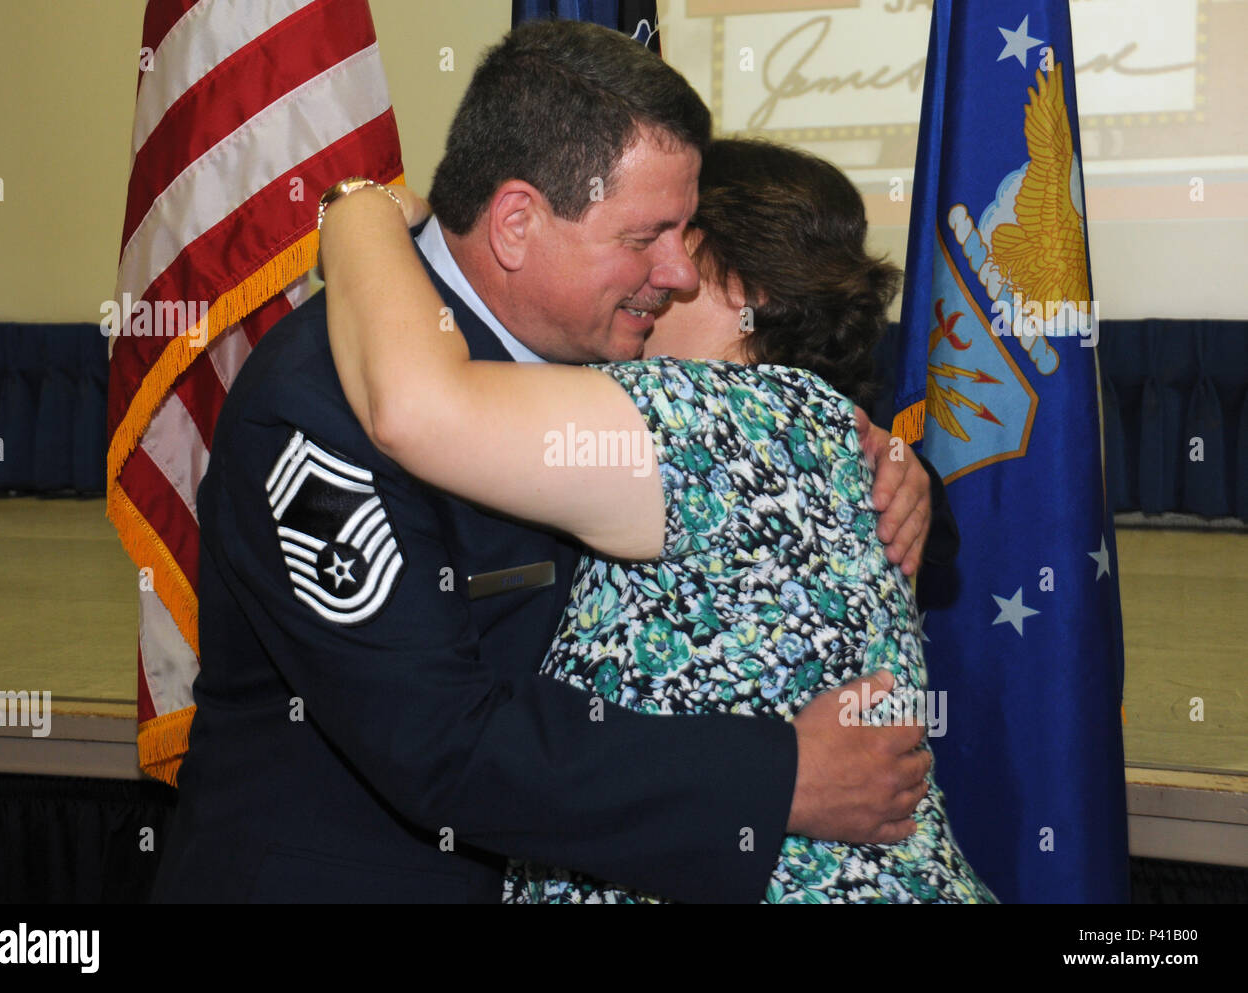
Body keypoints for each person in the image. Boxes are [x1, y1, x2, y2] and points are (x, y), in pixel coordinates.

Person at [152, 19, 946, 904]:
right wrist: (777, 775)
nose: (679, 272)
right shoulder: (320, 404)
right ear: (519, 224)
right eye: (647, 236)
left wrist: (907, 481)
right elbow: (439, 739)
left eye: (688, 232)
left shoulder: (609, 357)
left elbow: (770, 481)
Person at [319, 136, 994, 904]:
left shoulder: (714, 421)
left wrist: (355, 211)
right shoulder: (822, 430)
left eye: (676, 244)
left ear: (751, 288)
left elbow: (418, 408)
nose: (654, 273)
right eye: (644, 242)